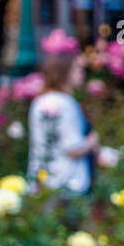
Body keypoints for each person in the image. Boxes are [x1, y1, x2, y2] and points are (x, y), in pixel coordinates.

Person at [28, 31, 99, 195]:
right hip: (68, 183)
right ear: (64, 71)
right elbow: (73, 148)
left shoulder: (39, 102)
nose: (82, 73)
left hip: (42, 181)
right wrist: (92, 142)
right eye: (77, 68)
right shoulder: (66, 103)